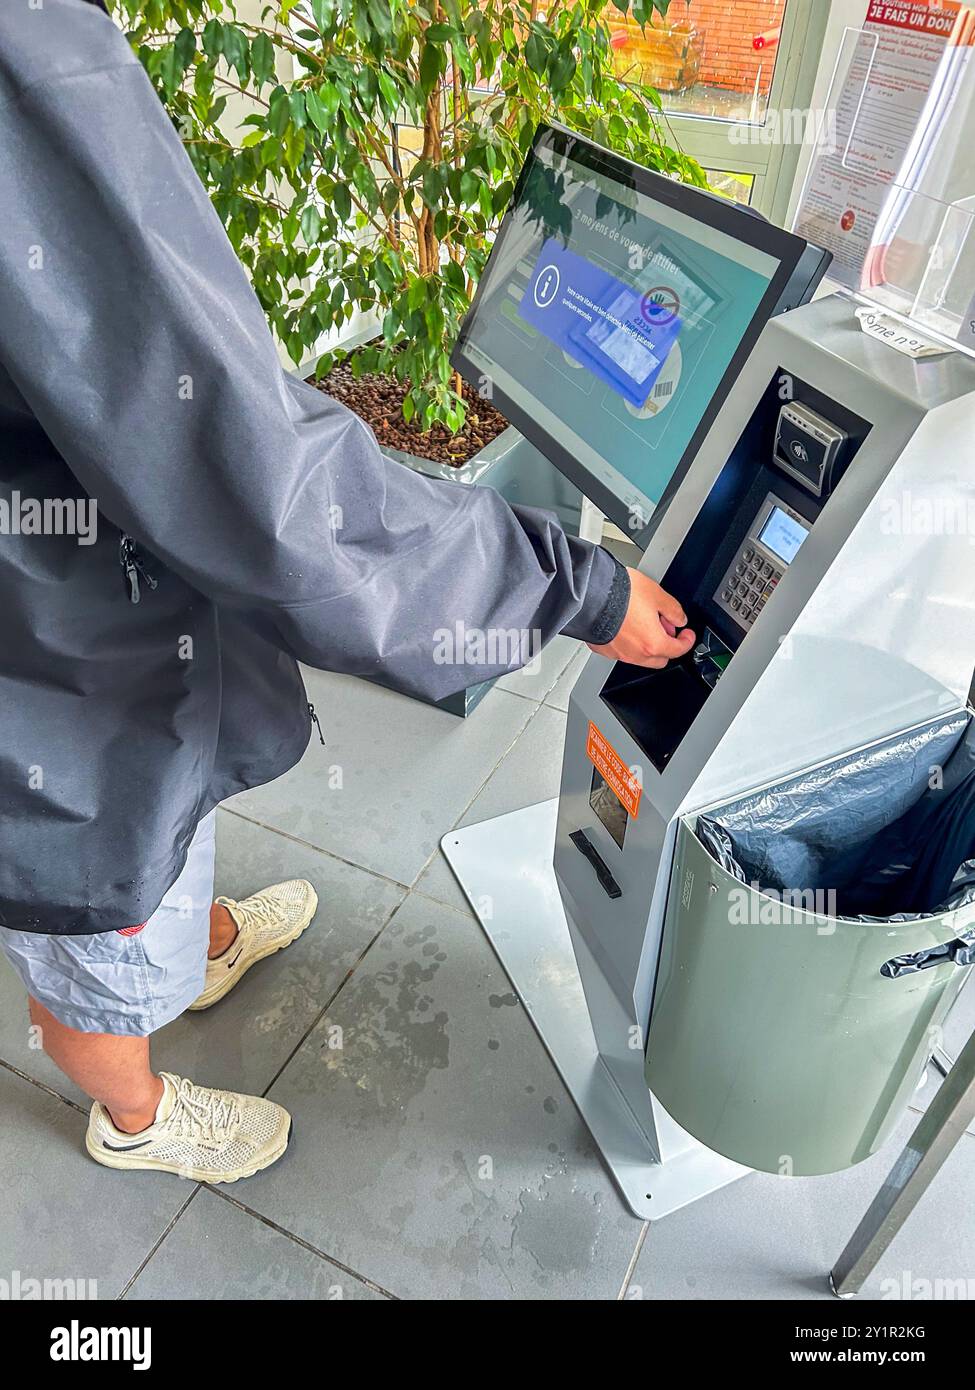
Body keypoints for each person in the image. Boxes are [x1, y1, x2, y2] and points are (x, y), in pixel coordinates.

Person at [0, 0, 695, 1183]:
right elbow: (255, 474)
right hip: (58, 659)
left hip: (89, 605)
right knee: (96, 928)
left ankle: (200, 946)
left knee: (159, 839)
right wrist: (566, 585)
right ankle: (134, 1114)